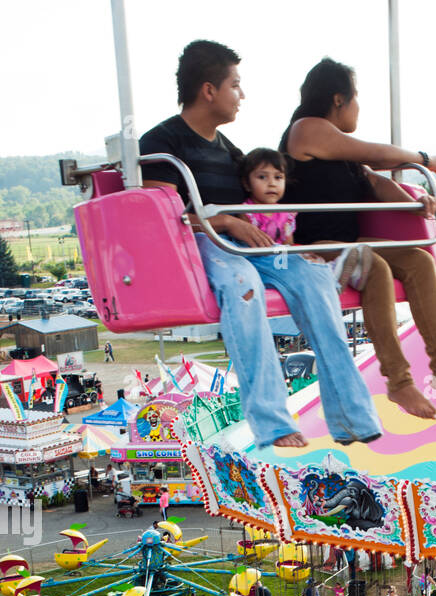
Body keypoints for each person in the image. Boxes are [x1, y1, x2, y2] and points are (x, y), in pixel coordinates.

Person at [139, 40, 380, 451]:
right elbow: (165, 216)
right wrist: (228, 220)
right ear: (209, 90)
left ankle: (351, 416)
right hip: (202, 243)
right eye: (236, 85)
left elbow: (261, 200)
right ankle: (271, 422)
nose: (242, 96)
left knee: (315, 277)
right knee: (243, 286)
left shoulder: (230, 151)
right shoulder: (163, 143)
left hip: (248, 240)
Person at [282, 58, 436, 422]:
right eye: (357, 99)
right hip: (311, 249)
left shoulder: (340, 150)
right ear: (339, 99)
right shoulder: (306, 130)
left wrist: (419, 203)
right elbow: (375, 154)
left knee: (419, 261)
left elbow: (373, 179)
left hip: (349, 242)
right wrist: (425, 159)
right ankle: (398, 379)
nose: (359, 108)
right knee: (376, 267)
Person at [238, 145, 369, 292]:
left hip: (281, 258)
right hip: (262, 262)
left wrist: (301, 253)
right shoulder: (246, 211)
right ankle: (333, 273)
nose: (272, 183)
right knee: (298, 263)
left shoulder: (285, 214)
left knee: (308, 257)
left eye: (278, 177)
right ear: (246, 184)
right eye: (262, 177)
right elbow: (248, 245)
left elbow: (288, 244)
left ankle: (334, 271)